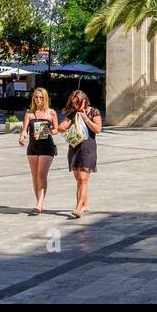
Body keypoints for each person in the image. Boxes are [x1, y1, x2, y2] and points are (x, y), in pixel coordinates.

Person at [55, 89, 102, 219]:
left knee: (83, 179)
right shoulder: (73, 113)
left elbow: (97, 129)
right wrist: (66, 125)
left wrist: (86, 118)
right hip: (74, 148)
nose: (76, 105)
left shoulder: (94, 112)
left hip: (88, 148)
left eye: (78, 103)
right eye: (73, 103)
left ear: (84, 100)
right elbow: (61, 127)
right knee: (79, 180)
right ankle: (85, 204)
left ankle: (78, 207)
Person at [18, 87, 59, 214]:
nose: (38, 99)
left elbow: (57, 129)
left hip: (47, 146)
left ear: (45, 98)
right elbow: (24, 130)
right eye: (36, 97)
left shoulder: (51, 113)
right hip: (33, 147)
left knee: (41, 175)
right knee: (35, 176)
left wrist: (50, 131)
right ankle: (39, 202)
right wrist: (22, 136)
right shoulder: (29, 113)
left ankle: (39, 203)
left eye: (41, 97)